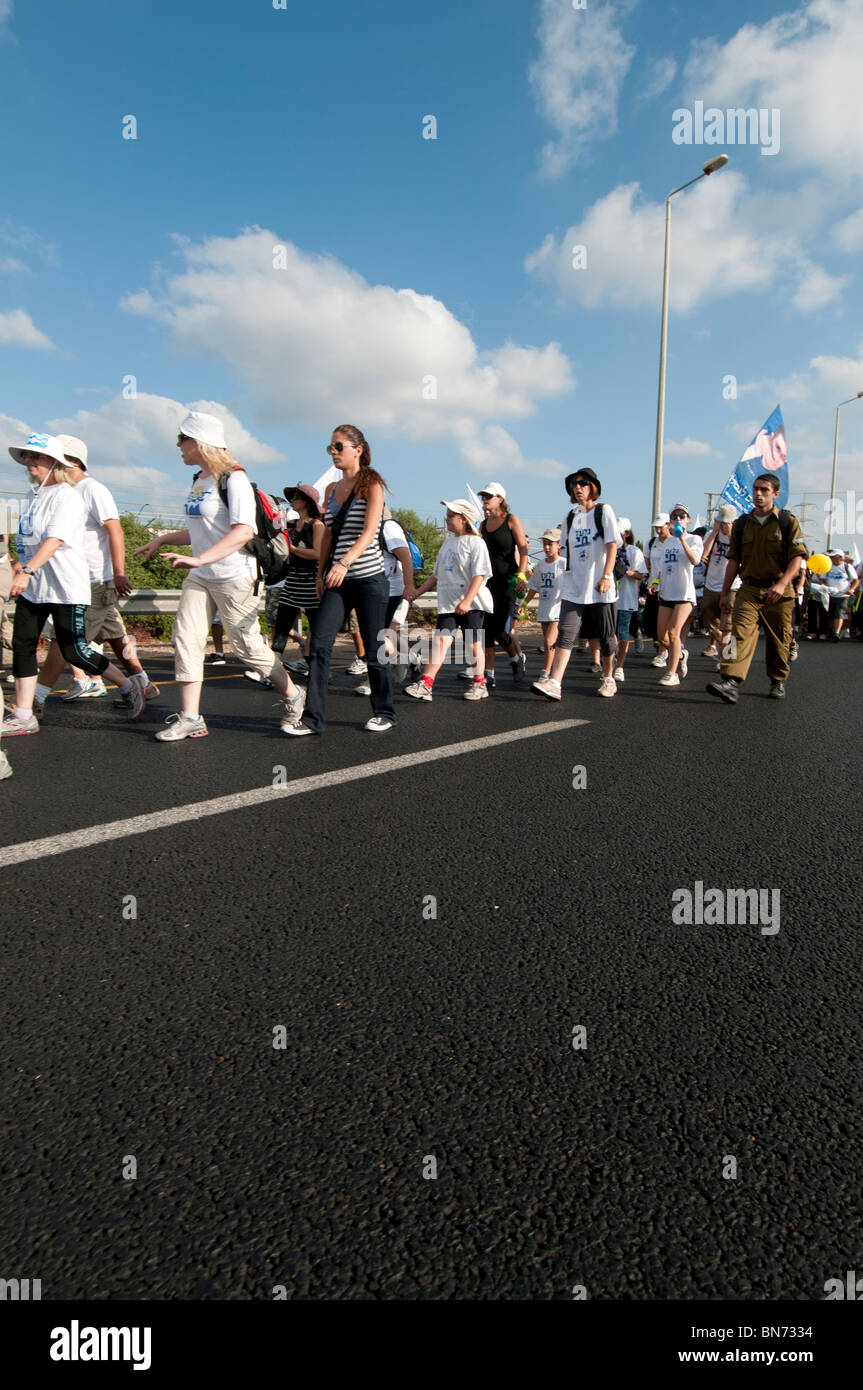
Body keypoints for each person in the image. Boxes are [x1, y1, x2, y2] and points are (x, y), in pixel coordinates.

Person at [133, 411, 305, 740]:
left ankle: (293, 694)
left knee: (246, 647)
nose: (178, 444)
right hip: (202, 574)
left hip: (235, 575)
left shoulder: (234, 479)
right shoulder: (199, 480)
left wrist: (199, 560)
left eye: (183, 438)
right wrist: (162, 539)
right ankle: (190, 716)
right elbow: (201, 531)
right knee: (186, 638)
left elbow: (243, 532)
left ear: (201, 442)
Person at [3, 433, 145, 736]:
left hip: (66, 585)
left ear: (54, 462)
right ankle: (25, 713)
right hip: (35, 586)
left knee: (74, 651)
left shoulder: (68, 496)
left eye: (35, 457)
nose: (29, 462)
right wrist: (20, 563)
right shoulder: (31, 496)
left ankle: (129, 684)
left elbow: (55, 539)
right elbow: (30, 538)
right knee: (23, 644)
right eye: (26, 457)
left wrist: (26, 570)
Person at [30, 435, 159, 716]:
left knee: (65, 643)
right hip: (74, 580)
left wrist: (119, 572)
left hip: (92, 582)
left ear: (72, 461)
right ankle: (143, 684)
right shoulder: (59, 491)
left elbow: (115, 530)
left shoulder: (91, 489)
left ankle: (36, 698)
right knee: (116, 637)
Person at [283, 424, 395, 736]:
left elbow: (370, 531)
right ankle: (312, 719)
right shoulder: (332, 492)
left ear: (357, 450)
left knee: (374, 650)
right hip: (337, 580)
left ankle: (385, 711)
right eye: (330, 447)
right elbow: (329, 535)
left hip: (370, 579)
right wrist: (322, 573)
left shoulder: (371, 486)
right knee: (319, 645)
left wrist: (345, 563)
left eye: (338, 446)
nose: (333, 452)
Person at [707, 474, 806, 704]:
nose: (758, 494)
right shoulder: (742, 524)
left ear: (775, 494)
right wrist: (724, 593)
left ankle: (777, 680)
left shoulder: (787, 522)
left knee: (779, 639)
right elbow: (733, 561)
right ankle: (730, 681)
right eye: (756, 489)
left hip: (778, 592)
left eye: (764, 490)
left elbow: (798, 558)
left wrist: (782, 585)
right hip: (750, 590)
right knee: (736, 634)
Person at [532, 467, 622, 700]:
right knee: (566, 634)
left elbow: (612, 544)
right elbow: (565, 549)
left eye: (582, 483)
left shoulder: (604, 511)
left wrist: (607, 575)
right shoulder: (570, 517)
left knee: (606, 637)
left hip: (600, 585)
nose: (578, 487)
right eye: (574, 484)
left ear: (593, 486)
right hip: (574, 587)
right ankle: (555, 682)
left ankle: (609, 677)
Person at [404, 500, 491, 701]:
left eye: (451, 515)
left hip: (472, 603)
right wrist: (417, 592)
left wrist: (467, 601)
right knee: (440, 642)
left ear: (464, 519)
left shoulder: (476, 543)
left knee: (472, 644)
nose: (447, 519)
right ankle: (426, 684)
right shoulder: (448, 542)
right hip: (448, 603)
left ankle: (480, 684)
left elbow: (480, 575)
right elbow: (436, 575)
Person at [475, 483, 529, 688]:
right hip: (489, 583)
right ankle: (489, 673)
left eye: (489, 496)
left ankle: (516, 658)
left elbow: (523, 550)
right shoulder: (482, 525)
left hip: (509, 581)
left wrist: (522, 575)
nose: (485, 500)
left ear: (500, 499)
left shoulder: (511, 520)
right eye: (483, 497)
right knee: (486, 630)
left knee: (497, 628)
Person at [273, 484, 326, 676]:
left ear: (306, 502)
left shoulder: (317, 525)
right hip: (292, 579)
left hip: (311, 581)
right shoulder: (292, 525)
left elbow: (317, 553)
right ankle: (272, 669)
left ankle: (316, 667)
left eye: (296, 497)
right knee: (282, 624)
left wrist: (292, 549)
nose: (292, 500)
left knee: (316, 627)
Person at [653, 504, 703, 688]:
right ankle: (681, 654)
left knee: (674, 633)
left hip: (684, 594)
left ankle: (672, 673)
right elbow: (664, 569)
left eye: (682, 516)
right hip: (667, 593)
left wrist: (682, 539)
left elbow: (695, 560)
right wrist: (656, 584)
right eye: (674, 516)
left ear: (688, 519)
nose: (678, 519)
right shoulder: (666, 543)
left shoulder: (694, 539)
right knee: (662, 638)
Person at [379, 506, 415, 688]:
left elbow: (406, 556)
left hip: (396, 592)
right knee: (389, 634)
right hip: (382, 591)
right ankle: (412, 660)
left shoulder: (388, 527)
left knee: (383, 634)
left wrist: (408, 587)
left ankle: (384, 673)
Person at [526, 527, 565, 686]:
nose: (547, 547)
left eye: (550, 544)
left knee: (549, 643)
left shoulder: (564, 564)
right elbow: (534, 586)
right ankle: (554, 671)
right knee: (550, 645)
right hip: (544, 608)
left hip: (558, 609)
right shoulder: (541, 565)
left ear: (559, 545)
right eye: (544, 544)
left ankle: (545, 674)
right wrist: (524, 603)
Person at [699, 504, 738, 662]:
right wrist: (714, 531)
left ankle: (726, 661)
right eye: (720, 522)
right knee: (707, 618)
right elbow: (702, 554)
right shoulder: (712, 534)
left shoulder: (738, 536)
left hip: (731, 586)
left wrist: (730, 535)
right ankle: (729, 647)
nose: (723, 526)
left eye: (726, 523)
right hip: (711, 585)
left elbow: (739, 556)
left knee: (727, 624)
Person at [644, 513, 671, 666]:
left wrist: (657, 581)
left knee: (664, 622)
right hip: (652, 588)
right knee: (649, 621)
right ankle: (669, 648)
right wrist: (651, 582)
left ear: (668, 525)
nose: (658, 531)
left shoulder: (674, 542)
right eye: (656, 528)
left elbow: (666, 567)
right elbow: (648, 564)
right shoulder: (651, 543)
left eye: (661, 527)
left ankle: (663, 652)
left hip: (667, 588)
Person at [824, 545, 859, 641]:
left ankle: (836, 633)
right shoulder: (828, 566)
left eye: (833, 556)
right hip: (830, 594)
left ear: (839, 557)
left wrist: (851, 589)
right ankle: (831, 631)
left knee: (839, 613)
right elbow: (822, 579)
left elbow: (856, 580)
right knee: (831, 614)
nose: (831, 558)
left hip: (843, 595)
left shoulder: (847, 567)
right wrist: (823, 587)